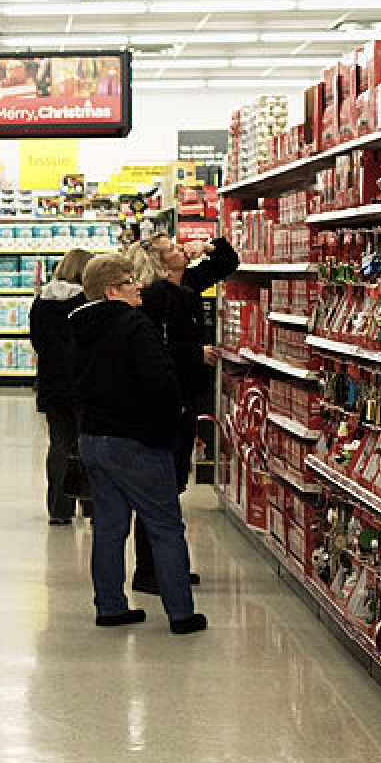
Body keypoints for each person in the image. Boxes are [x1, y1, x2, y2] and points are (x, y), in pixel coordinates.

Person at [69, 252, 206, 634]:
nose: (139, 286)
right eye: (130, 281)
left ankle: (110, 606)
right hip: (136, 442)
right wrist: (170, 421)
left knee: (110, 529)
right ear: (112, 291)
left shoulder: (79, 327)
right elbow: (159, 382)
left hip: (94, 437)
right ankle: (180, 613)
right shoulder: (135, 326)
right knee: (164, 526)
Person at [130, 233, 242, 592]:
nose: (182, 250)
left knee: (174, 483)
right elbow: (154, 349)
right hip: (167, 398)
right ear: (161, 262)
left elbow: (228, 262)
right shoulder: (151, 299)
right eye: (174, 249)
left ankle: (169, 564)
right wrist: (193, 353)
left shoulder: (189, 282)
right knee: (159, 486)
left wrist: (207, 247)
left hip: (187, 394)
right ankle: (150, 571)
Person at [29, 248, 91, 525]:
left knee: (59, 443)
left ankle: (59, 508)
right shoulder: (87, 301)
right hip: (84, 380)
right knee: (87, 443)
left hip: (52, 381)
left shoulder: (41, 301)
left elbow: (37, 342)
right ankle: (90, 505)